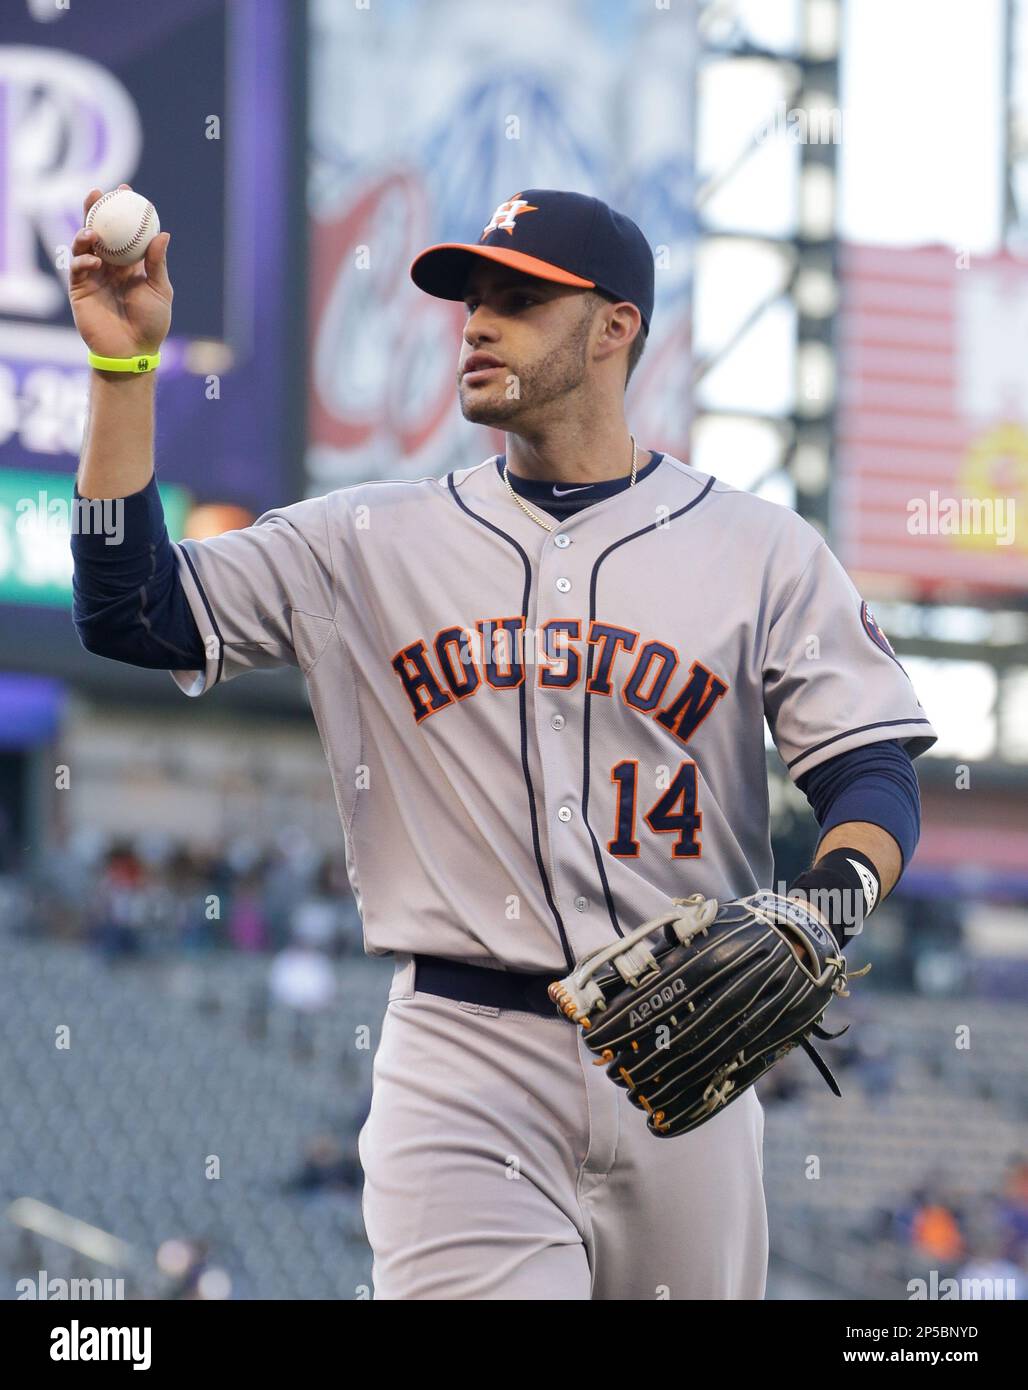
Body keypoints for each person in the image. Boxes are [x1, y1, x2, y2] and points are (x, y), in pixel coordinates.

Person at [68, 185, 935, 1300]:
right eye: (471, 299)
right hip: (463, 1061)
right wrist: (124, 372)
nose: (476, 324)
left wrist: (829, 903)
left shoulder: (760, 548)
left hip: (692, 1058)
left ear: (615, 326)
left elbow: (868, 767)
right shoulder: (365, 539)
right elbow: (131, 609)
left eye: (518, 301)